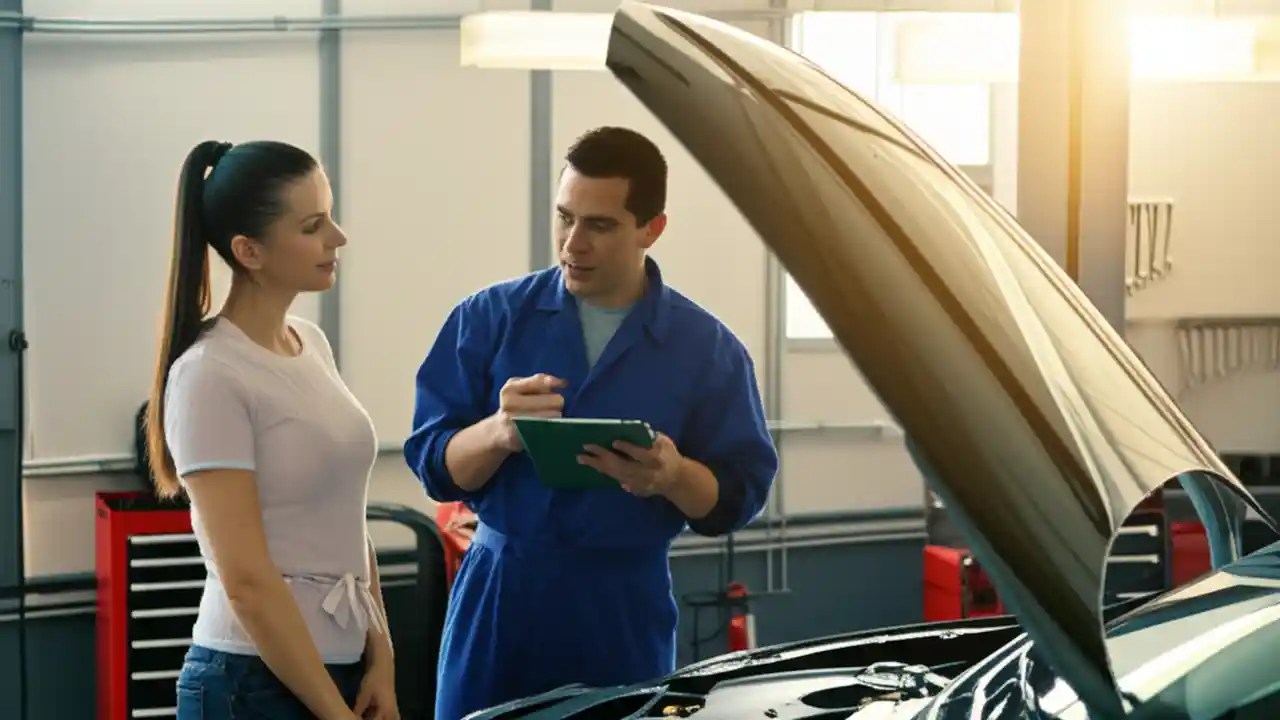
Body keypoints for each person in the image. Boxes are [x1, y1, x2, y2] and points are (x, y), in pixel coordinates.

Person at [404, 126, 779, 719]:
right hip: (502, 595)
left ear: (651, 229)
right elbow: (435, 466)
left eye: (599, 225)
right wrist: (499, 431)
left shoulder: (706, 349)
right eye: (564, 218)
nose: (573, 243)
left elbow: (737, 496)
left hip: (621, 608)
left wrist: (674, 475)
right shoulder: (488, 320)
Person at [145, 140, 399, 720]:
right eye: (313, 226)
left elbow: (344, 521)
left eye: (330, 216)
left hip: (342, 667)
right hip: (249, 681)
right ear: (248, 251)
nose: (338, 238)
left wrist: (380, 654)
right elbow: (247, 582)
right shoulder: (209, 373)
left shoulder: (311, 344)